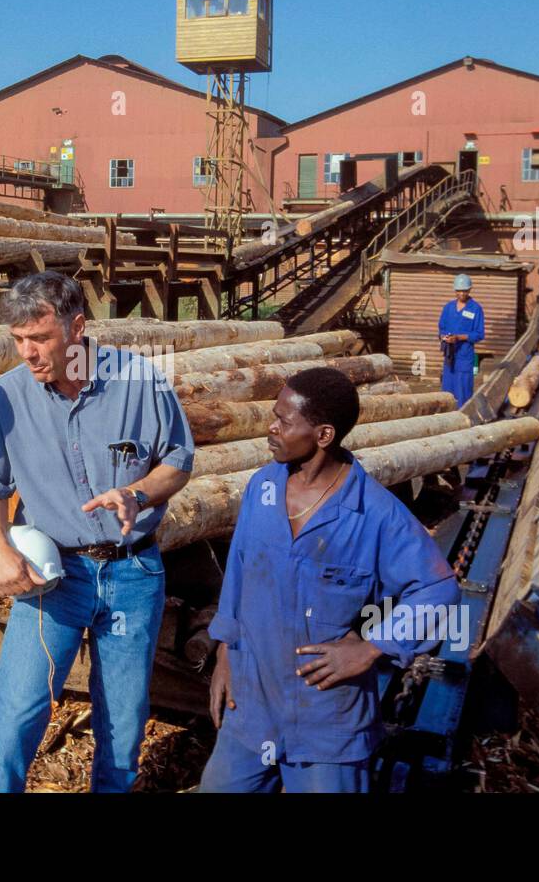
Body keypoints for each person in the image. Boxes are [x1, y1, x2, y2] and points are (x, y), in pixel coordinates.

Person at [0, 271, 194, 793]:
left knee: (122, 720)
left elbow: (178, 461)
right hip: (53, 578)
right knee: (18, 714)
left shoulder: (140, 381)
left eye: (40, 338)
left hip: (133, 572)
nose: (28, 352)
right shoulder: (4, 398)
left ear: (76, 327)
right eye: (18, 339)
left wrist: (138, 494)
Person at [199, 368, 460, 793]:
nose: (271, 427)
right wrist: (226, 651)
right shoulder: (262, 488)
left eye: (284, 421)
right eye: (273, 415)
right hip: (252, 709)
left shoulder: (374, 514)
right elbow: (241, 572)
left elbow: (438, 589)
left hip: (328, 725)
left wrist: (373, 646)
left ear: (322, 435)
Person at [439, 273, 485, 406]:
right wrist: (444, 337)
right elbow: (441, 327)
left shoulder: (475, 309)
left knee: (463, 389)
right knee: (447, 389)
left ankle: (463, 417)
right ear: (454, 290)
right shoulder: (448, 308)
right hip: (449, 356)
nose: (462, 294)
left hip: (464, 356)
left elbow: (479, 334)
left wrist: (459, 337)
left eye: (465, 290)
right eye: (459, 291)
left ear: (470, 290)